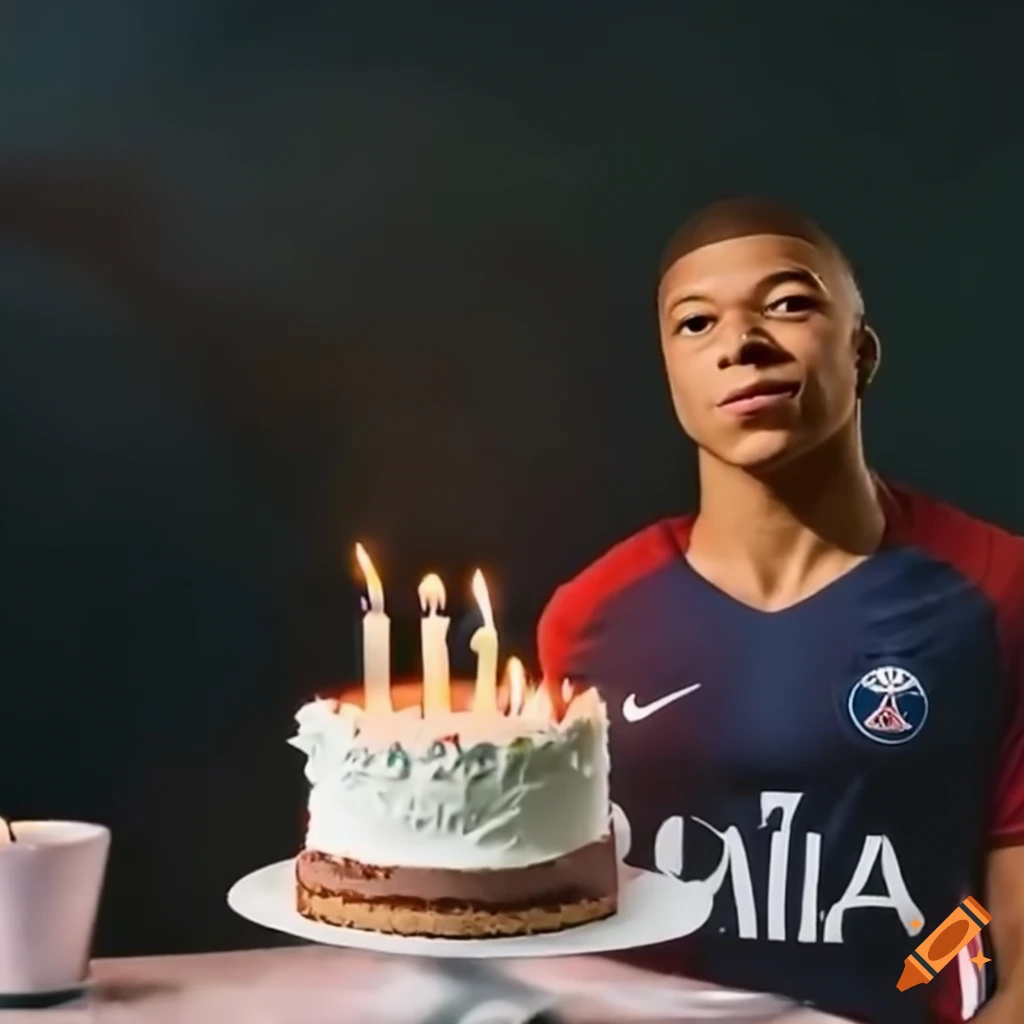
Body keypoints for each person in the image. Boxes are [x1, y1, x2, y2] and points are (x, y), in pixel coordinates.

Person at [537, 199, 1024, 1024]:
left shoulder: (997, 590)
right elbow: (552, 940)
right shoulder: (588, 616)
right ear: (669, 373)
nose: (740, 345)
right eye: (695, 324)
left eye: (789, 304)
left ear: (861, 351)